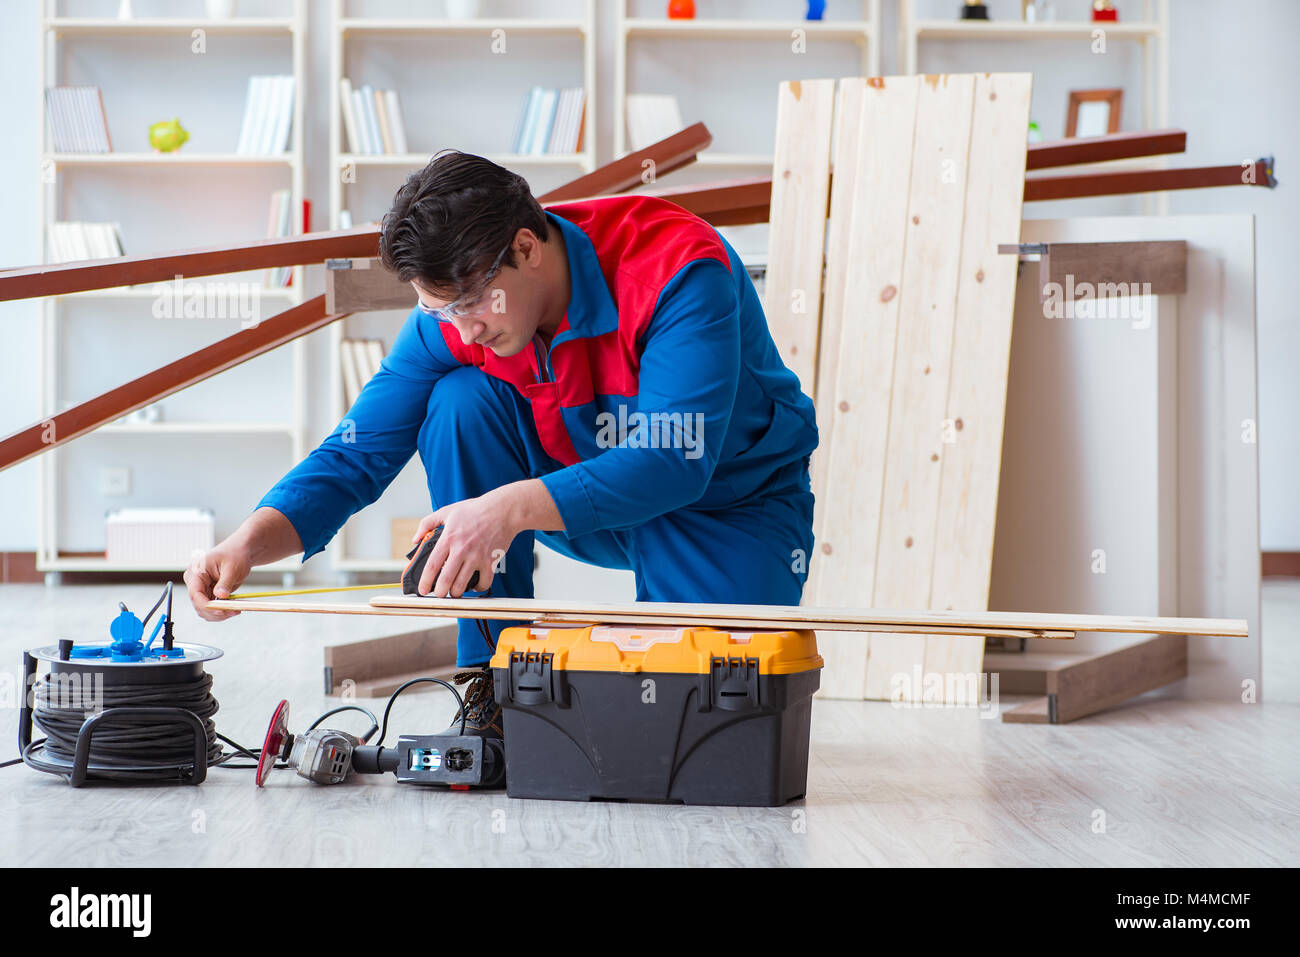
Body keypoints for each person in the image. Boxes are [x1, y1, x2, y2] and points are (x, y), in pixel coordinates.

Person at [185, 151, 818, 755]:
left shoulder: (678, 268)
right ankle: (493, 677)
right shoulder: (456, 315)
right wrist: (249, 541)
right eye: (439, 311)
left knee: (700, 728)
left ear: (525, 247)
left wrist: (503, 512)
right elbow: (357, 452)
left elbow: (670, 461)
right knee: (460, 399)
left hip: (724, 506)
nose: (461, 330)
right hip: (577, 496)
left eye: (466, 305)